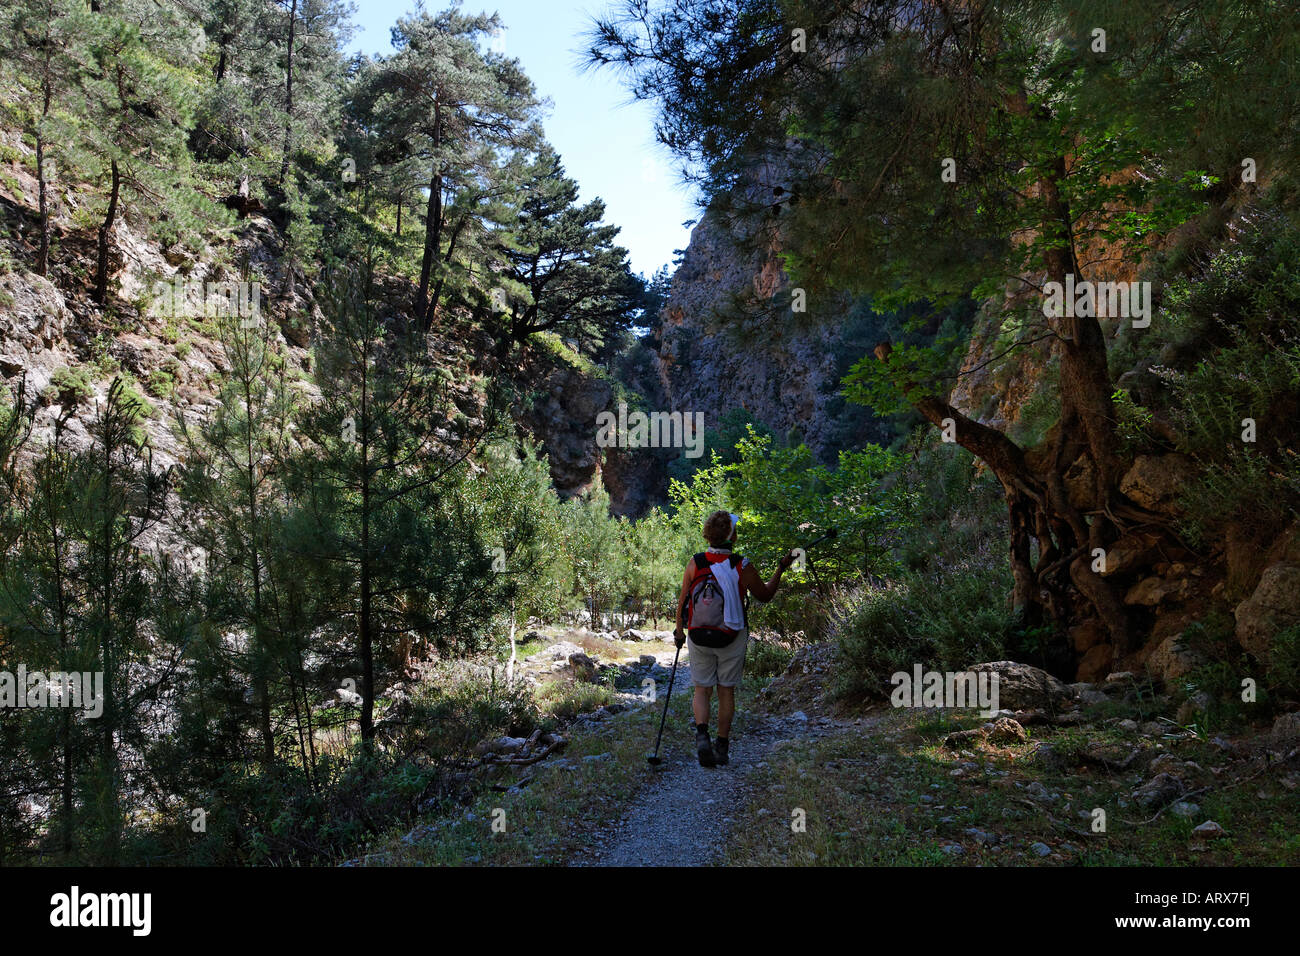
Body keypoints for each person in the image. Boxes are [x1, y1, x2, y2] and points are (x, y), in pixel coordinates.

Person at [674, 510, 794, 767]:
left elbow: (683, 599)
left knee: (701, 689)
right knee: (726, 691)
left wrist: (678, 630)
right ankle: (722, 747)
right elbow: (765, 595)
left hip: (698, 635)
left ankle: (702, 736)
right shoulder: (742, 565)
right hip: (731, 635)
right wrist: (781, 568)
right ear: (733, 536)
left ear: (708, 533)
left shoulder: (695, 562)